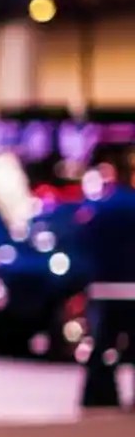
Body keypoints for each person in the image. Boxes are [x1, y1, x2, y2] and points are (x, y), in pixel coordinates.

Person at [78, 161, 135, 411]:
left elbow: (84, 245)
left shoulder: (100, 209)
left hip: (103, 287)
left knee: (101, 345)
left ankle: (99, 395)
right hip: (132, 288)